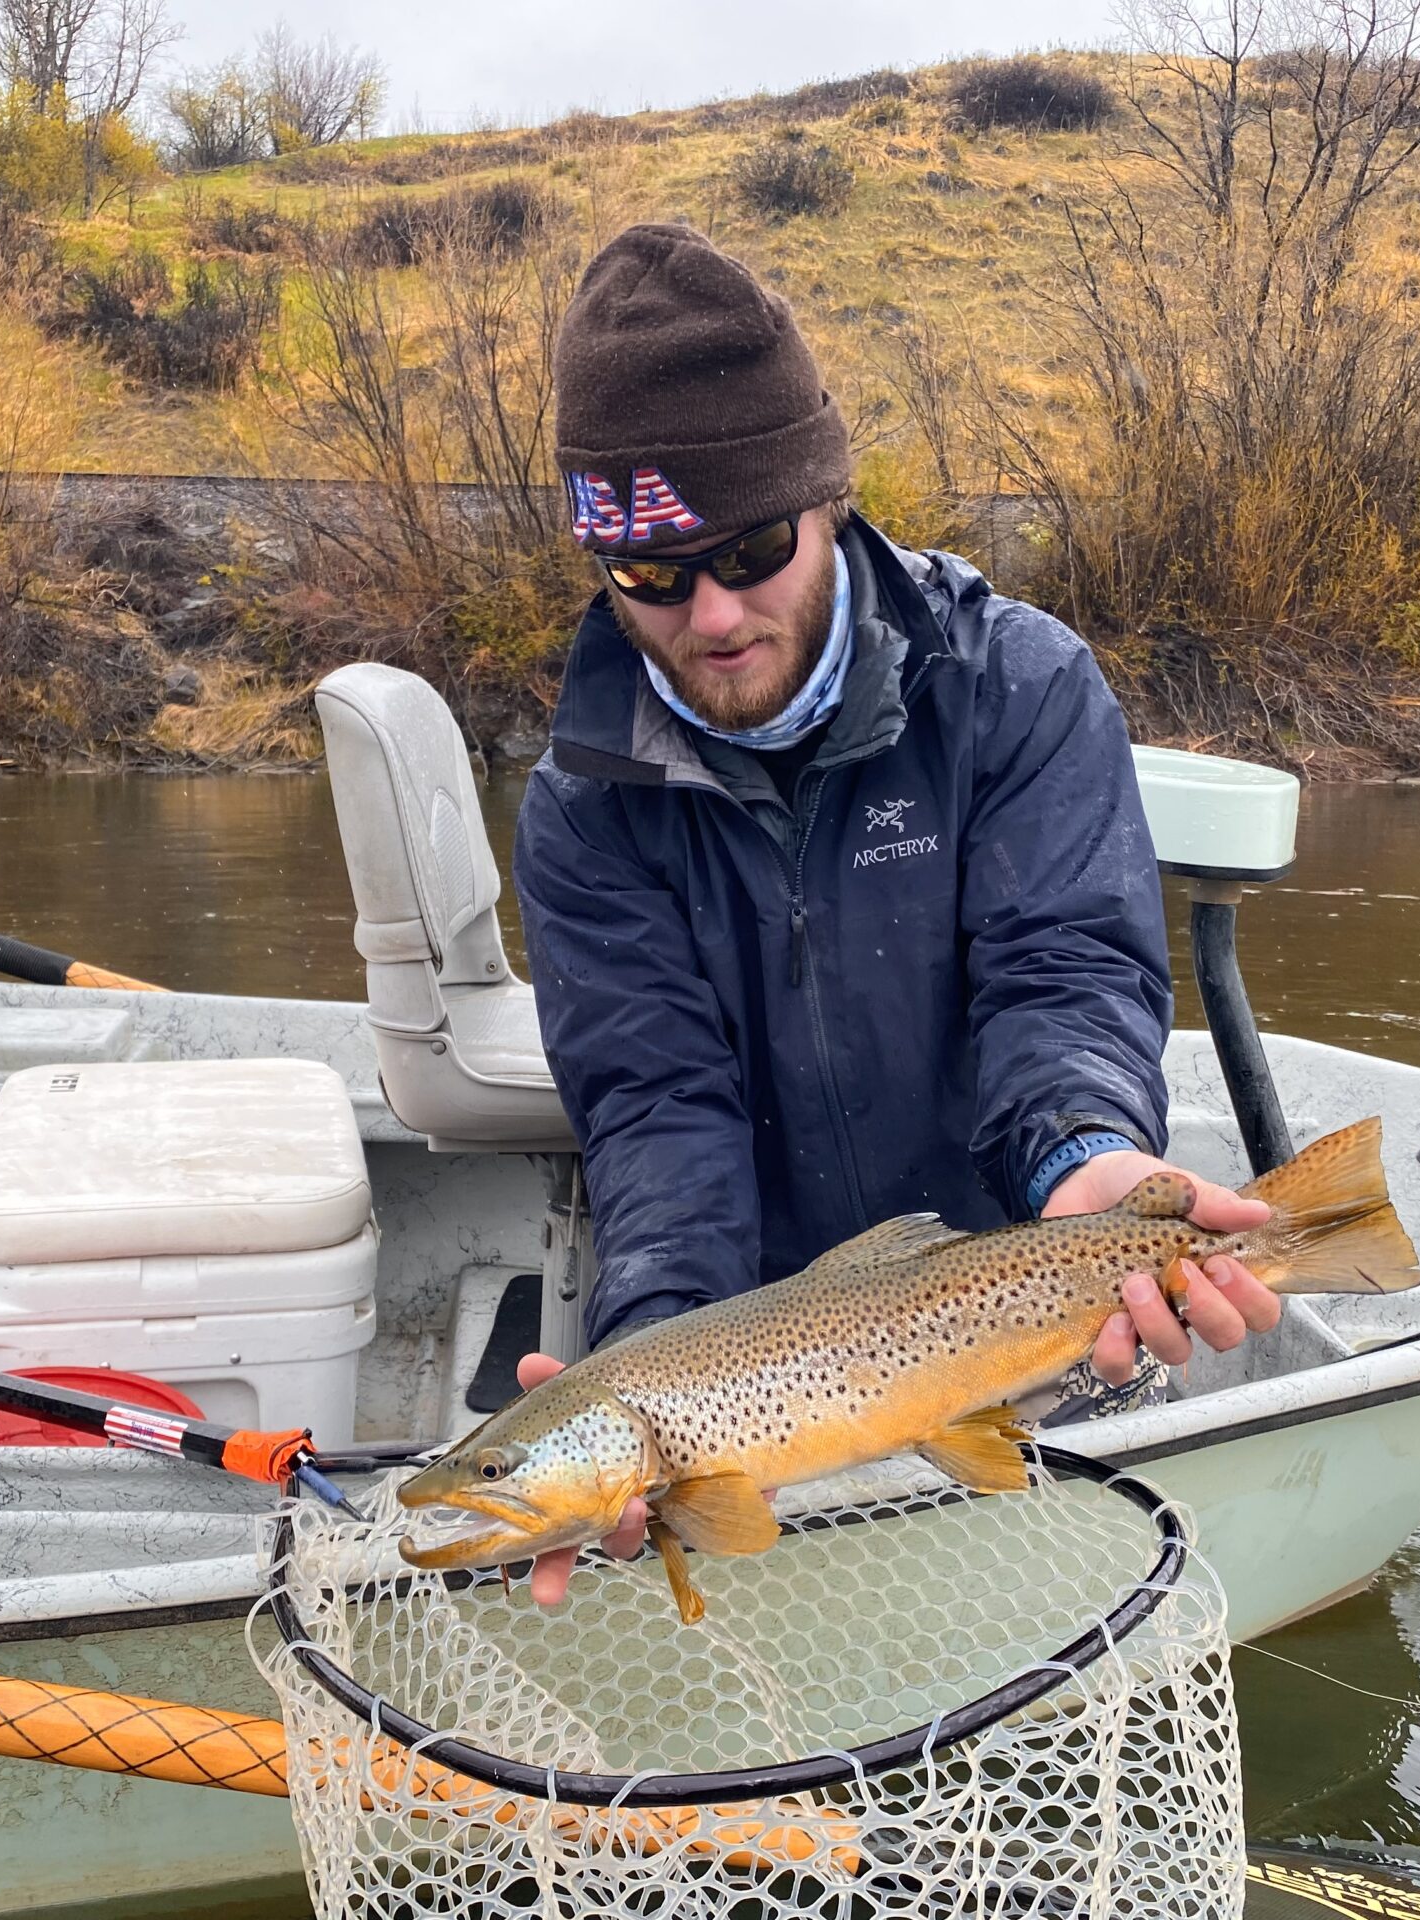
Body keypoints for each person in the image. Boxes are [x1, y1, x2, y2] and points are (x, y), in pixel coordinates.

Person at [511, 224, 1278, 1602]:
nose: (713, 611)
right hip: (769, 1364)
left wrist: (1085, 1162)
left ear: (827, 497)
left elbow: (1062, 979)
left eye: (749, 547)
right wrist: (663, 1360)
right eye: (651, 575)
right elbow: (655, 1108)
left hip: (1027, 1293)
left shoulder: (1017, 689)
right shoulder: (584, 803)